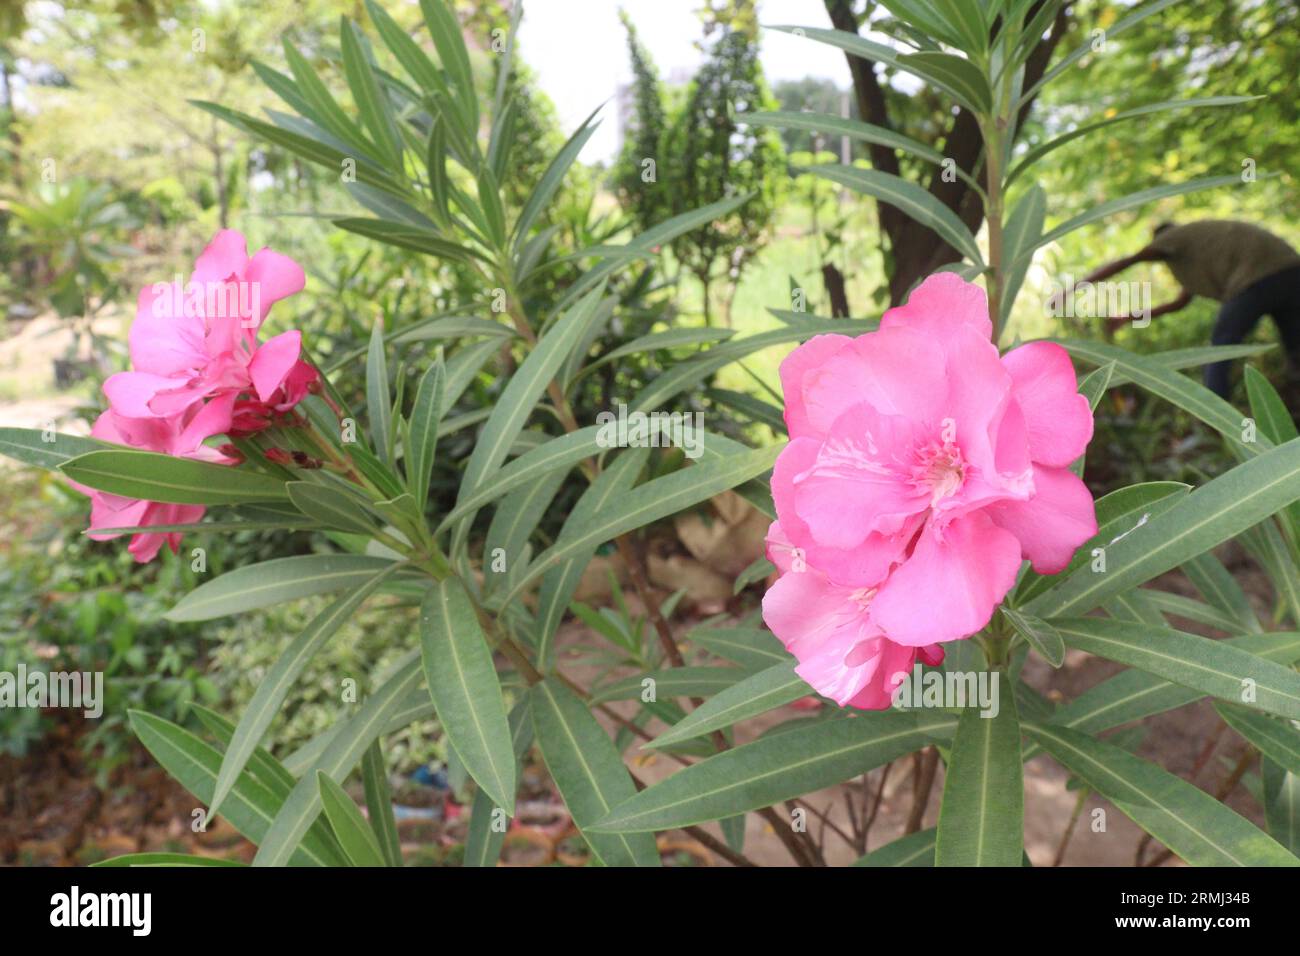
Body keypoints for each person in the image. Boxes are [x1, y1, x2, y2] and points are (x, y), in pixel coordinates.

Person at [1082, 219, 1300, 399]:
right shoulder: (1198, 247)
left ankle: (1216, 413)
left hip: (1255, 280)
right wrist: (1127, 318)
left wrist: (1075, 287)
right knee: (1296, 345)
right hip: (1292, 272)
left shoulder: (1173, 237)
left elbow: (1131, 260)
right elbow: (1179, 303)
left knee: (1220, 348)